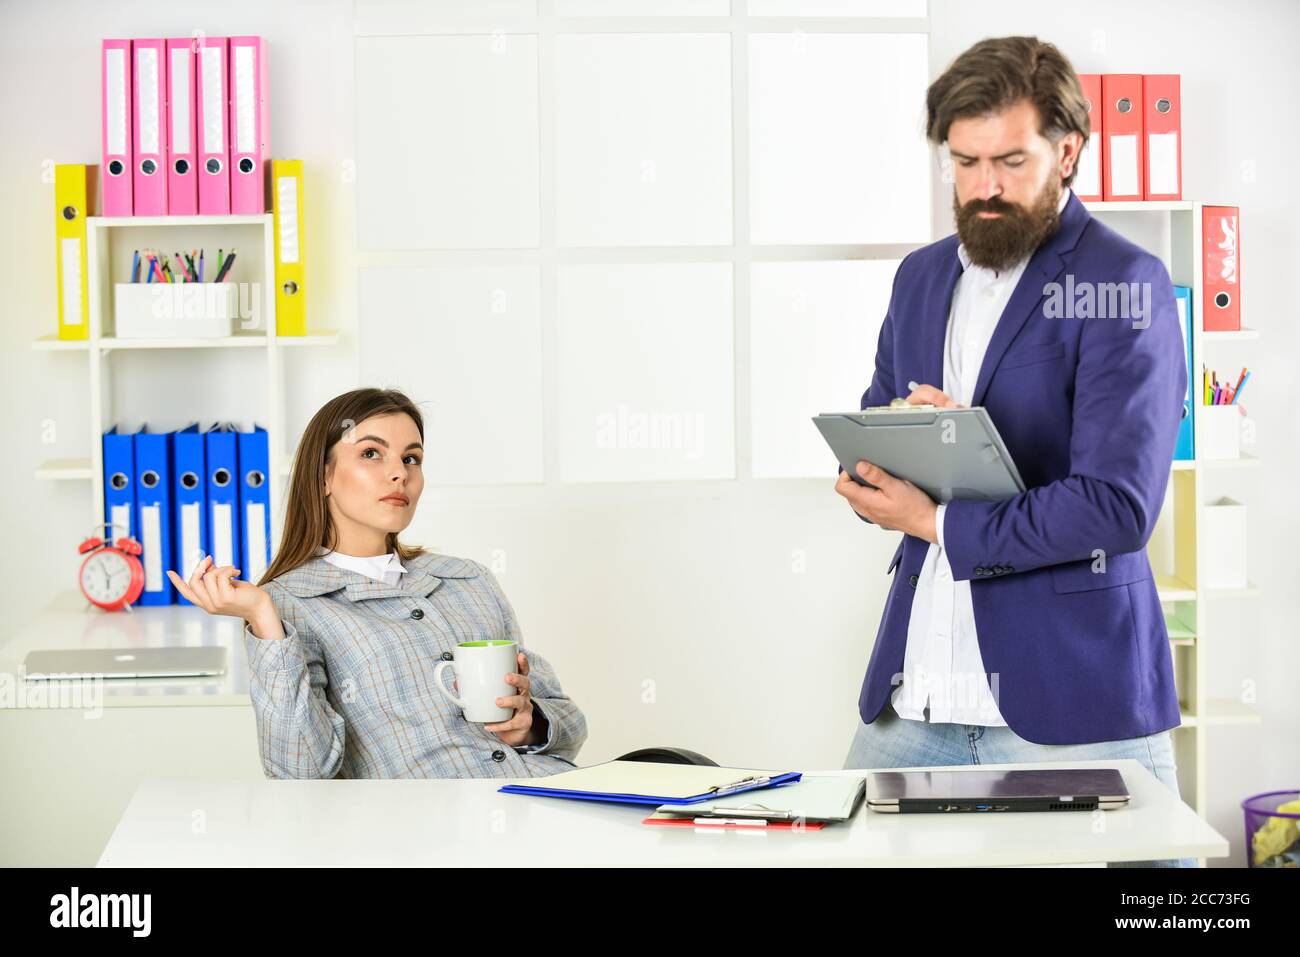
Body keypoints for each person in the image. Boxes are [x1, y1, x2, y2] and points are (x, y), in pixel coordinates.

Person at [833, 36, 1194, 866]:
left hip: (1071, 706)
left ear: (1068, 151)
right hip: (914, 701)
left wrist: (937, 522)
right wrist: (890, 443)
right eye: (964, 162)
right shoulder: (920, 278)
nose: (985, 186)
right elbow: (871, 424)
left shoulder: (1124, 282)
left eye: (1010, 160)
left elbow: (1116, 506)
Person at [168, 387, 587, 779]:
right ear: (323, 478)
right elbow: (298, 775)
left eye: (411, 458)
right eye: (371, 453)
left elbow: (570, 728)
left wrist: (529, 724)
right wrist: (263, 619)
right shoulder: (288, 605)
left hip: (546, 799)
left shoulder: (468, 579)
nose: (398, 475)